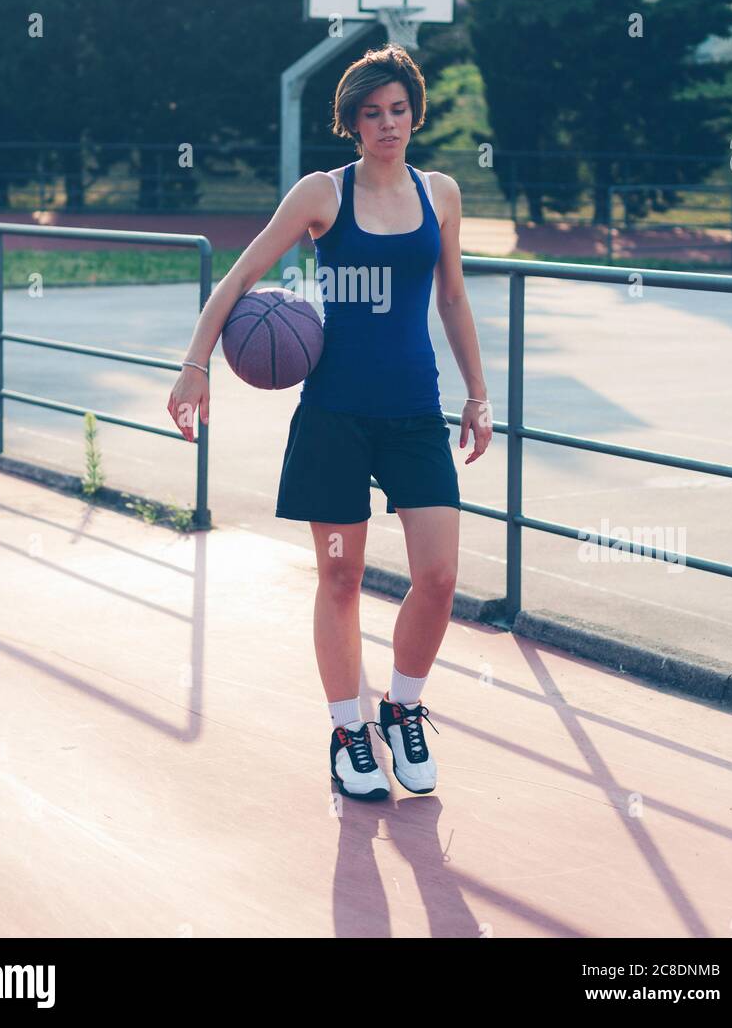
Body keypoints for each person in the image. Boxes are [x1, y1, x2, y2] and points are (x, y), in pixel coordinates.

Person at [167, 44, 492, 802]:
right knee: (341, 575)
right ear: (352, 122)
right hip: (334, 417)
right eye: (372, 112)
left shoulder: (440, 193)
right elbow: (244, 273)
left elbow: (452, 298)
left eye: (399, 110)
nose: (388, 123)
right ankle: (349, 731)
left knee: (439, 577)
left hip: (414, 412)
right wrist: (195, 363)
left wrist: (478, 393)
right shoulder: (322, 193)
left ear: (415, 114)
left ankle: (402, 707)